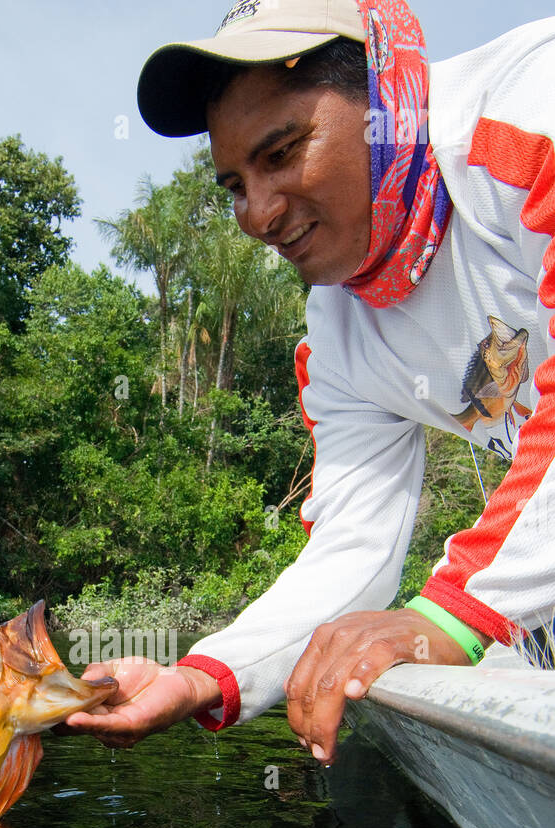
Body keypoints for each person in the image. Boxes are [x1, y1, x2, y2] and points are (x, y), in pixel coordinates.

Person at [64, 0, 555, 764]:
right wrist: (200, 676)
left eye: (282, 151)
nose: (256, 214)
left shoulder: (529, 107)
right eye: (232, 184)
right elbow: (353, 541)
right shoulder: (336, 332)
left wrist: (459, 612)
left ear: (385, 97)